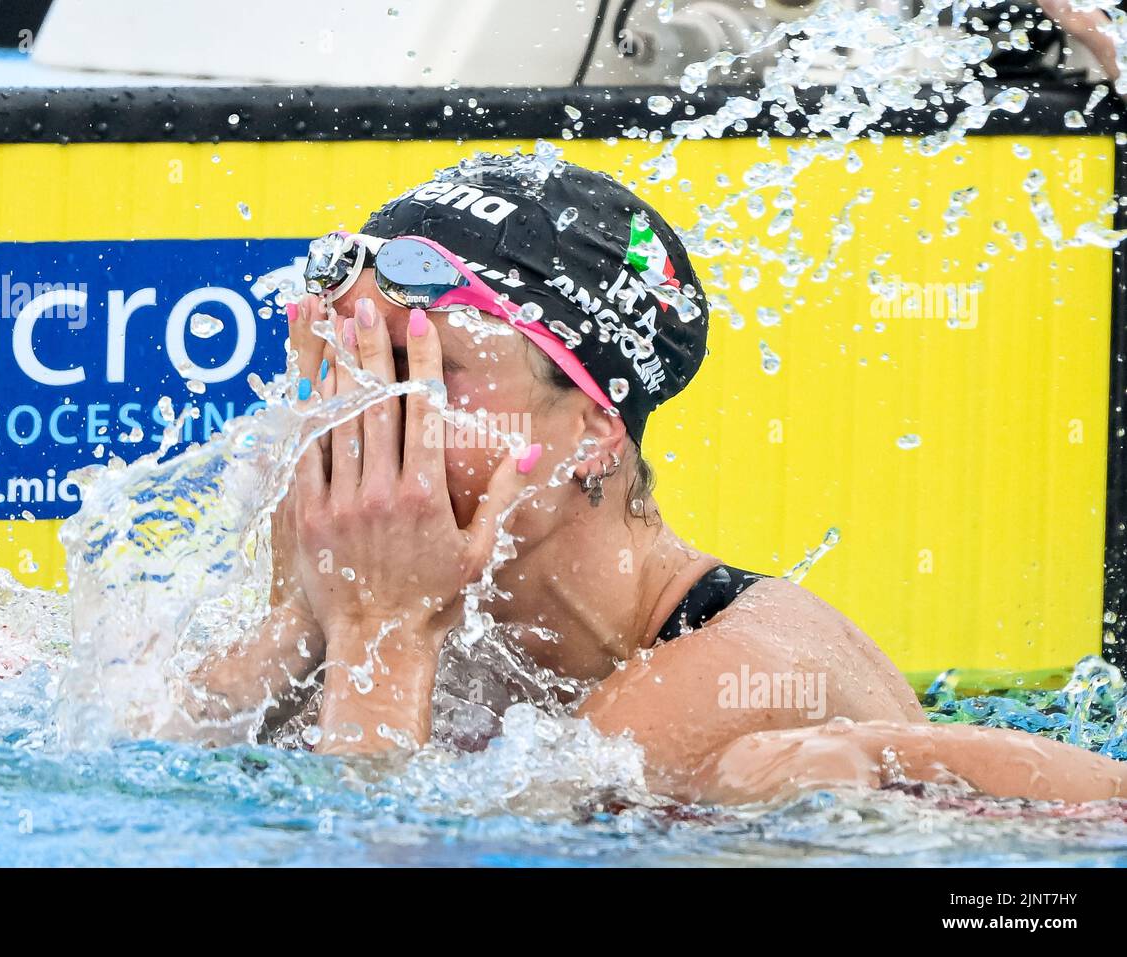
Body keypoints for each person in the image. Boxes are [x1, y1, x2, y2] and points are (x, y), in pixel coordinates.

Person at [196, 152, 1127, 805]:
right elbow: (172, 757)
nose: (372, 420)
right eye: (356, 373)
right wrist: (299, 617)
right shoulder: (416, 576)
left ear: (594, 431)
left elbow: (374, 849)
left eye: (436, 375)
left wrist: (381, 630)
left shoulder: (747, 674)